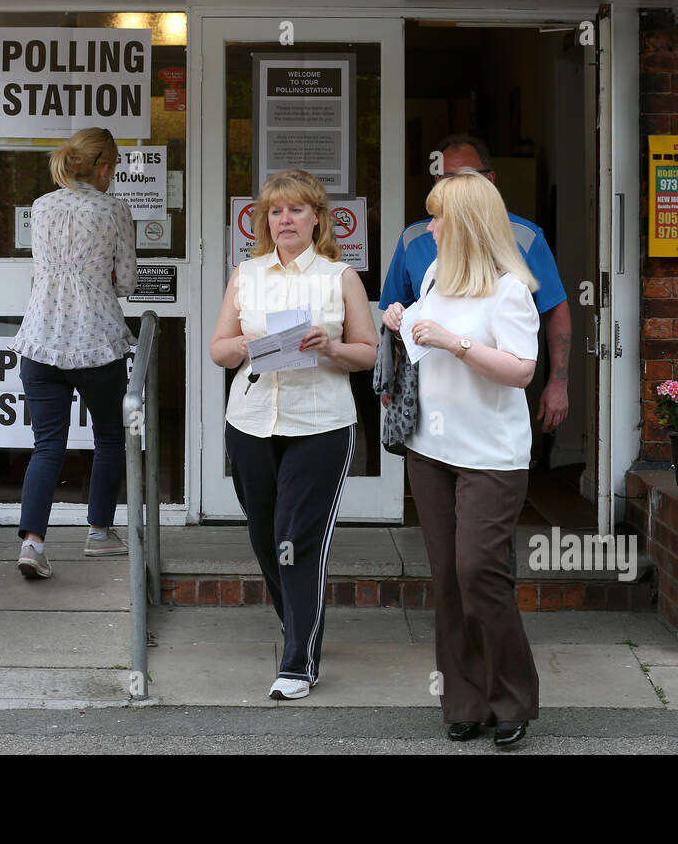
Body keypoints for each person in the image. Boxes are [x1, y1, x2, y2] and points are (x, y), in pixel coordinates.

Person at [381, 173, 540, 748]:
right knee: (448, 580)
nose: (430, 227)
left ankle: (514, 698)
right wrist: (399, 319)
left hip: (491, 456)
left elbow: (521, 370)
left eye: (439, 216)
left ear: (468, 223)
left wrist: (456, 343)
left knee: (479, 573)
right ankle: (465, 702)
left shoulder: (510, 291)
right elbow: (421, 347)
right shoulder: (433, 277)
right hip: (431, 450)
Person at [209, 169, 377, 700]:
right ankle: (300, 624)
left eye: (297, 210)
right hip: (252, 420)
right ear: (265, 220)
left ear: (317, 219)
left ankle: (298, 663)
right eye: (276, 211)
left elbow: (368, 353)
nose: (285, 219)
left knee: (296, 541)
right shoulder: (246, 274)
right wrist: (247, 345)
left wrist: (328, 345)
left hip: (319, 423)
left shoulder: (339, 276)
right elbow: (218, 349)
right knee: (265, 537)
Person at [379, 133, 571, 434]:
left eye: (463, 177)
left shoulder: (524, 236)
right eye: (442, 177)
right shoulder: (417, 238)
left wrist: (558, 383)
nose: (449, 186)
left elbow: (554, 309)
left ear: (489, 179)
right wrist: (393, 373)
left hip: (489, 413)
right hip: (431, 409)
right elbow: (404, 311)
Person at [11, 127, 136, 575]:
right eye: (115, 168)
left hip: (40, 340)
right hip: (96, 342)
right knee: (108, 438)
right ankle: (100, 533)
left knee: (46, 446)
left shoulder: (41, 207)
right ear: (103, 167)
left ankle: (32, 543)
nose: (114, 176)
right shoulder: (114, 209)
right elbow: (127, 282)